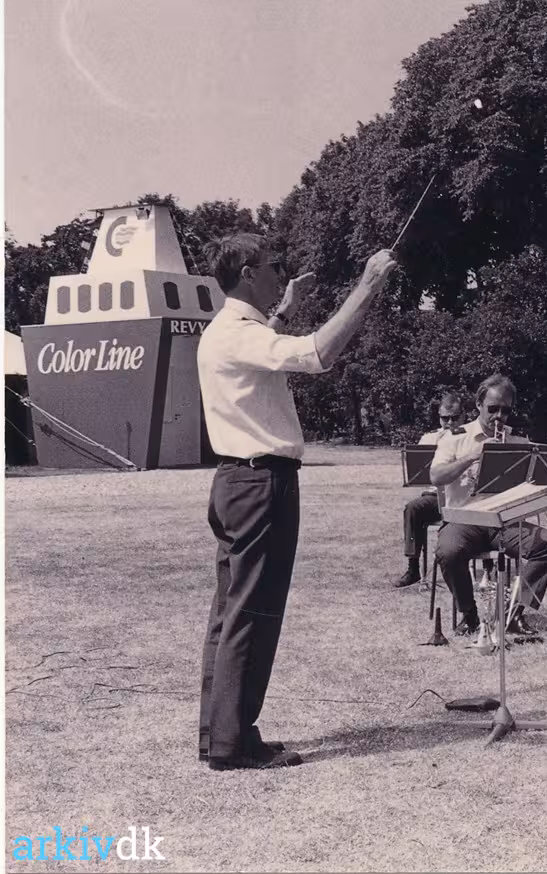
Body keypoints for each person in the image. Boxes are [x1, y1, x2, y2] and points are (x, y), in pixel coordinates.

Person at [198, 235, 395, 770]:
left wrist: (283, 309)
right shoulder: (239, 334)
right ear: (245, 273)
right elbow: (318, 353)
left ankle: (220, 735)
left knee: (230, 613)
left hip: (238, 481)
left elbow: (265, 349)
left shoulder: (231, 331)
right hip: (262, 484)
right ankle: (233, 744)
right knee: (251, 615)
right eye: (274, 266)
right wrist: (369, 284)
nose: (281, 272)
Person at [432, 375, 547, 638]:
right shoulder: (456, 438)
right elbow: (436, 477)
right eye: (493, 409)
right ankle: (470, 616)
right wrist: (473, 455)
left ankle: (513, 613)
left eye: (506, 410)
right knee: (448, 551)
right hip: (464, 518)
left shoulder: (517, 442)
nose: (499, 416)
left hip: (503, 520)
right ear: (479, 405)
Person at [394, 393, 465, 588]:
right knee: (412, 509)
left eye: (454, 417)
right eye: (445, 418)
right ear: (439, 417)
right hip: (435, 496)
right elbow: (420, 470)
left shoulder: (470, 436)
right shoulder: (429, 437)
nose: (449, 423)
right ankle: (413, 567)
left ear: (464, 416)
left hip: (463, 497)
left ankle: (487, 568)